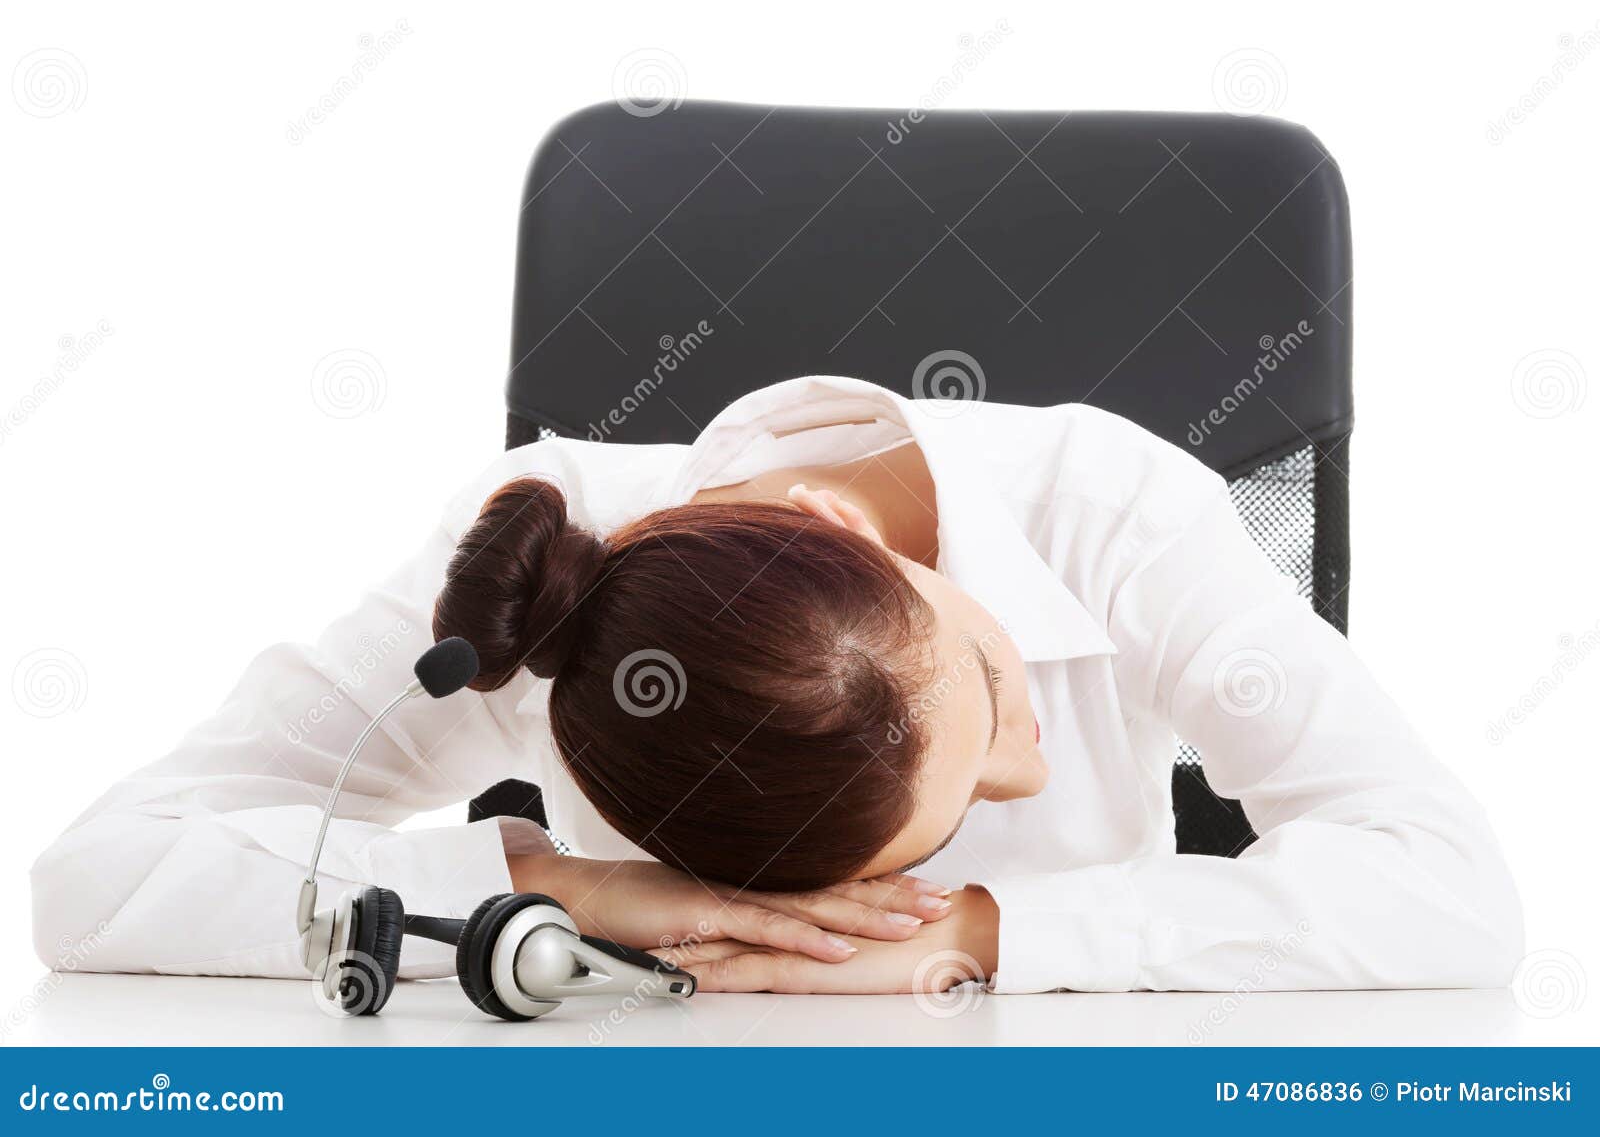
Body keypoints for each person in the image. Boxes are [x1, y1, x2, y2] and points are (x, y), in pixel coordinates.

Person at [31, 376, 1522, 994]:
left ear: (841, 530)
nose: (1027, 773)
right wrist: (550, 885)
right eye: (997, 741)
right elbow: (94, 876)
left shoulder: (1113, 507)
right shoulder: (527, 595)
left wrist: (974, 928)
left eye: (996, 685)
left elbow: (1453, 886)